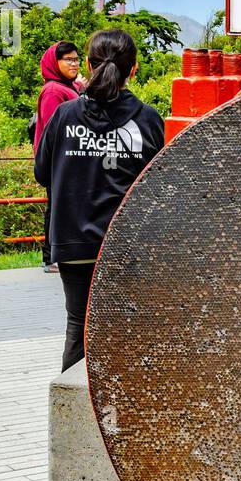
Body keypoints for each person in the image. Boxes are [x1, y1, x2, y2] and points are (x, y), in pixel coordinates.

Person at [34, 28, 165, 371]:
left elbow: (42, 173)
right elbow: (160, 188)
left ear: (90, 66)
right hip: (125, 249)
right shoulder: (148, 120)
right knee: (125, 333)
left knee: (78, 331)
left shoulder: (65, 116)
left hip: (73, 244)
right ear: (133, 68)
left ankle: (75, 420)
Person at [34, 42, 84, 272]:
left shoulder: (69, 86)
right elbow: (53, 130)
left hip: (68, 159)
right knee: (56, 206)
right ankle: (50, 258)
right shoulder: (53, 91)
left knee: (60, 204)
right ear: (55, 63)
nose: (74, 64)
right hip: (58, 160)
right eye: (68, 60)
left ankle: (54, 256)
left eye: (76, 59)